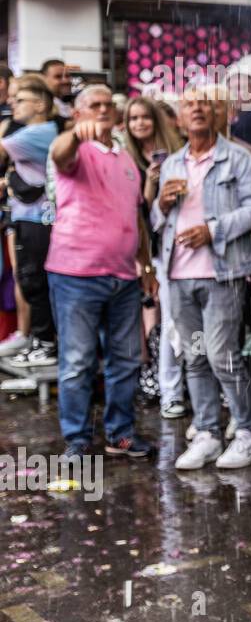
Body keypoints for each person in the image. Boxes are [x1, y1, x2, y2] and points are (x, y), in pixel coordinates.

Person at [153, 88, 251, 469]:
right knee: (196, 356)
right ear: (180, 119)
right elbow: (158, 220)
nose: (197, 109)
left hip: (222, 274)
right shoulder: (171, 164)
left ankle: (250, 433)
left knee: (223, 355)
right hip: (179, 274)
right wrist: (163, 203)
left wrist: (213, 229)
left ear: (218, 114)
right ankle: (207, 433)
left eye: (205, 103)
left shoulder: (238, 158)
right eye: (189, 104)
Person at [48, 84, 157, 459]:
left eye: (109, 104)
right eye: (94, 105)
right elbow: (58, 154)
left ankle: (120, 433)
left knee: (126, 359)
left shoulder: (126, 160)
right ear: (77, 114)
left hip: (124, 276)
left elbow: (136, 217)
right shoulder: (75, 151)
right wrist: (74, 136)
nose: (104, 109)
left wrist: (145, 263)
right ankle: (77, 439)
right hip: (76, 273)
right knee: (78, 361)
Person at [121, 96, 186, 416]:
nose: (140, 124)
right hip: (149, 248)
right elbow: (140, 210)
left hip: (183, 244)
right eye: (133, 119)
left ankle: (184, 383)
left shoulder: (179, 152)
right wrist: (150, 182)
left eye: (145, 117)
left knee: (185, 323)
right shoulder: (127, 159)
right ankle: (165, 385)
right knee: (159, 318)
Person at [0, 75, 60, 370]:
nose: (13, 103)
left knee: (34, 281)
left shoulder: (37, 133)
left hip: (39, 220)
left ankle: (46, 344)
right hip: (30, 217)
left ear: (39, 104)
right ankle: (40, 341)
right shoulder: (35, 132)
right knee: (29, 280)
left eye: (19, 99)